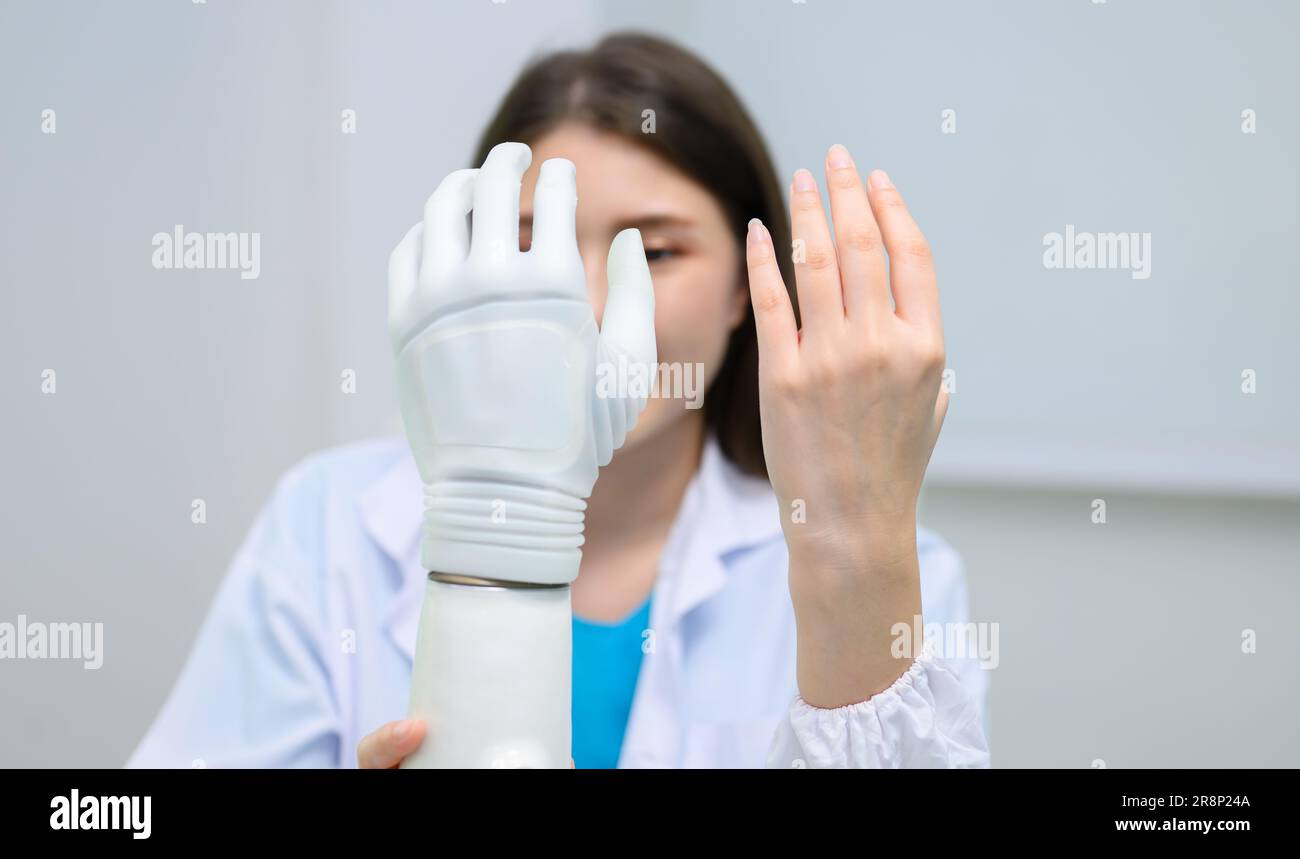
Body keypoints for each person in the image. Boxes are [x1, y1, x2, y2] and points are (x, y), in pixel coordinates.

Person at [127, 32, 989, 769]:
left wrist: (854, 550)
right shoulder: (326, 523)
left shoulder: (889, 565)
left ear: (743, 292)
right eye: (530, 243)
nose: (580, 306)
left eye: (651, 252)